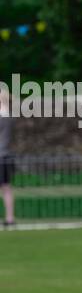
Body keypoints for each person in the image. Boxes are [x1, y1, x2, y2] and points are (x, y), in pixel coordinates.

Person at [0, 84, 15, 228]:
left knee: (5, 188)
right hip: (6, 155)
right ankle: (10, 218)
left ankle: (10, 218)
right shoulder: (9, 116)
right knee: (6, 188)